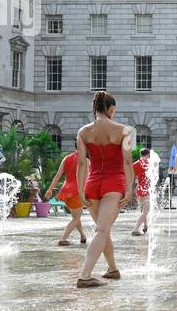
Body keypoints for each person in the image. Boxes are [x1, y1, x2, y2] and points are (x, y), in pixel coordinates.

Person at [74, 91, 132, 288]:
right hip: (114, 183)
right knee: (102, 230)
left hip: (92, 183)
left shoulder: (83, 131)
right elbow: (127, 162)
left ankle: (113, 269)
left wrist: (80, 191)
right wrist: (130, 189)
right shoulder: (124, 130)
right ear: (111, 109)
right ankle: (85, 275)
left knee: (103, 230)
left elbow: (81, 163)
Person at [44, 151, 87, 246]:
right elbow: (88, 178)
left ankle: (83, 236)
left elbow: (58, 175)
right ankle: (63, 239)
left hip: (65, 191)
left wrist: (50, 189)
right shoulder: (85, 161)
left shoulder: (66, 158)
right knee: (76, 217)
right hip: (77, 191)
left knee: (76, 216)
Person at [131, 147, 153, 237]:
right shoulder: (150, 163)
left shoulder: (135, 164)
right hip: (146, 190)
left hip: (139, 189)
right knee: (146, 211)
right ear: (148, 155)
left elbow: (133, 178)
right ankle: (135, 229)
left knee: (143, 209)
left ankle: (145, 226)